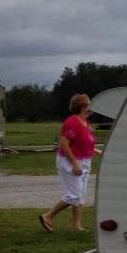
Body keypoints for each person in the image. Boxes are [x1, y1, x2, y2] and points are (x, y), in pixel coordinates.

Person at [39, 94, 102, 232]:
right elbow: (64, 144)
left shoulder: (86, 123)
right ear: (82, 106)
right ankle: (48, 216)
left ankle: (76, 225)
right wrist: (74, 163)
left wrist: (99, 153)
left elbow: (86, 144)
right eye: (89, 104)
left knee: (81, 194)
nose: (92, 106)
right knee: (74, 195)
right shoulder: (72, 122)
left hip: (85, 161)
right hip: (70, 161)